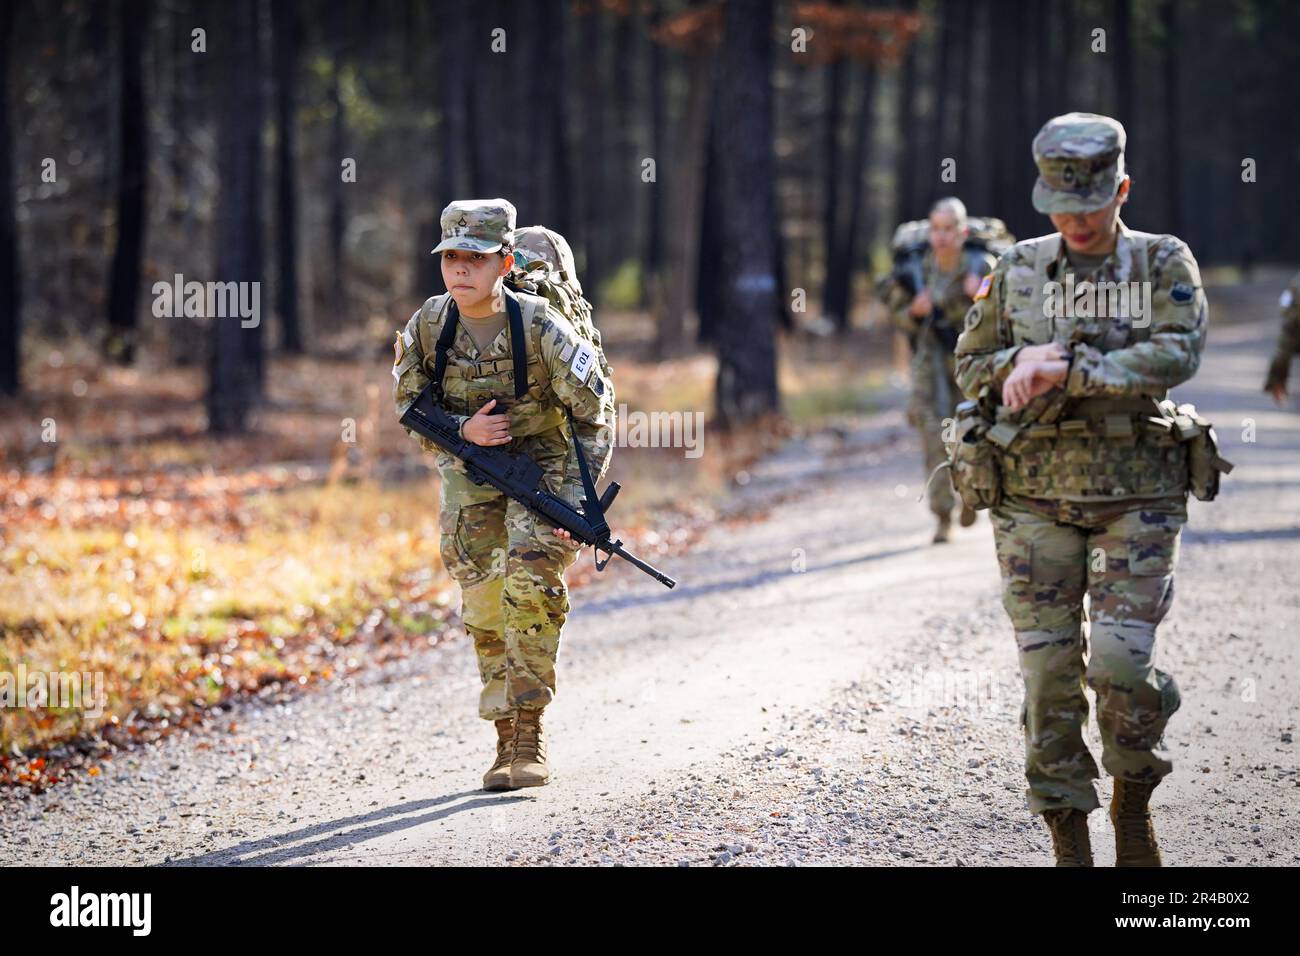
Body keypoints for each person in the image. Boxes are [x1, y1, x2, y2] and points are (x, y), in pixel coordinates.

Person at [953, 113, 1211, 866]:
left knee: (1121, 670)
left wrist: (1071, 369)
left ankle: (1133, 799)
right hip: (1033, 497)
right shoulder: (1020, 268)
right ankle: (1069, 833)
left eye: (1089, 208)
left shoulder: (1163, 261)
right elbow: (970, 365)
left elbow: (1180, 350)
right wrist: (1014, 367)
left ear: (1121, 190)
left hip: (1137, 495)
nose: (1073, 221)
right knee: (1048, 678)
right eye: (1059, 207)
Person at [392, 198, 615, 791]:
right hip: (470, 470)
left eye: (476, 258)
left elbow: (595, 415)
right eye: (451, 258)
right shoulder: (430, 325)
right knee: (486, 602)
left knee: (529, 581)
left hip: (545, 464)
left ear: (505, 262)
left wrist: (580, 504)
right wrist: (462, 432)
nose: (460, 270)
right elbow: (409, 406)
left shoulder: (541, 326)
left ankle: (529, 732)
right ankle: (502, 738)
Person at [881, 198, 996, 542]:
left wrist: (982, 298)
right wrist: (914, 312)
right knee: (934, 434)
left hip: (970, 362)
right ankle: (942, 515)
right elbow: (897, 312)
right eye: (936, 229)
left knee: (972, 433)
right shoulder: (918, 270)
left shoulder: (981, 266)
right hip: (930, 360)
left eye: (948, 229)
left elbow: (1005, 314)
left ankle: (972, 496)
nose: (941, 236)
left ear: (962, 232)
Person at [1263, 271, 1300, 403]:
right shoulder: (1297, 281)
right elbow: (1285, 303)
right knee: (1282, 353)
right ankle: (1277, 385)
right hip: (1295, 325)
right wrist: (1290, 314)